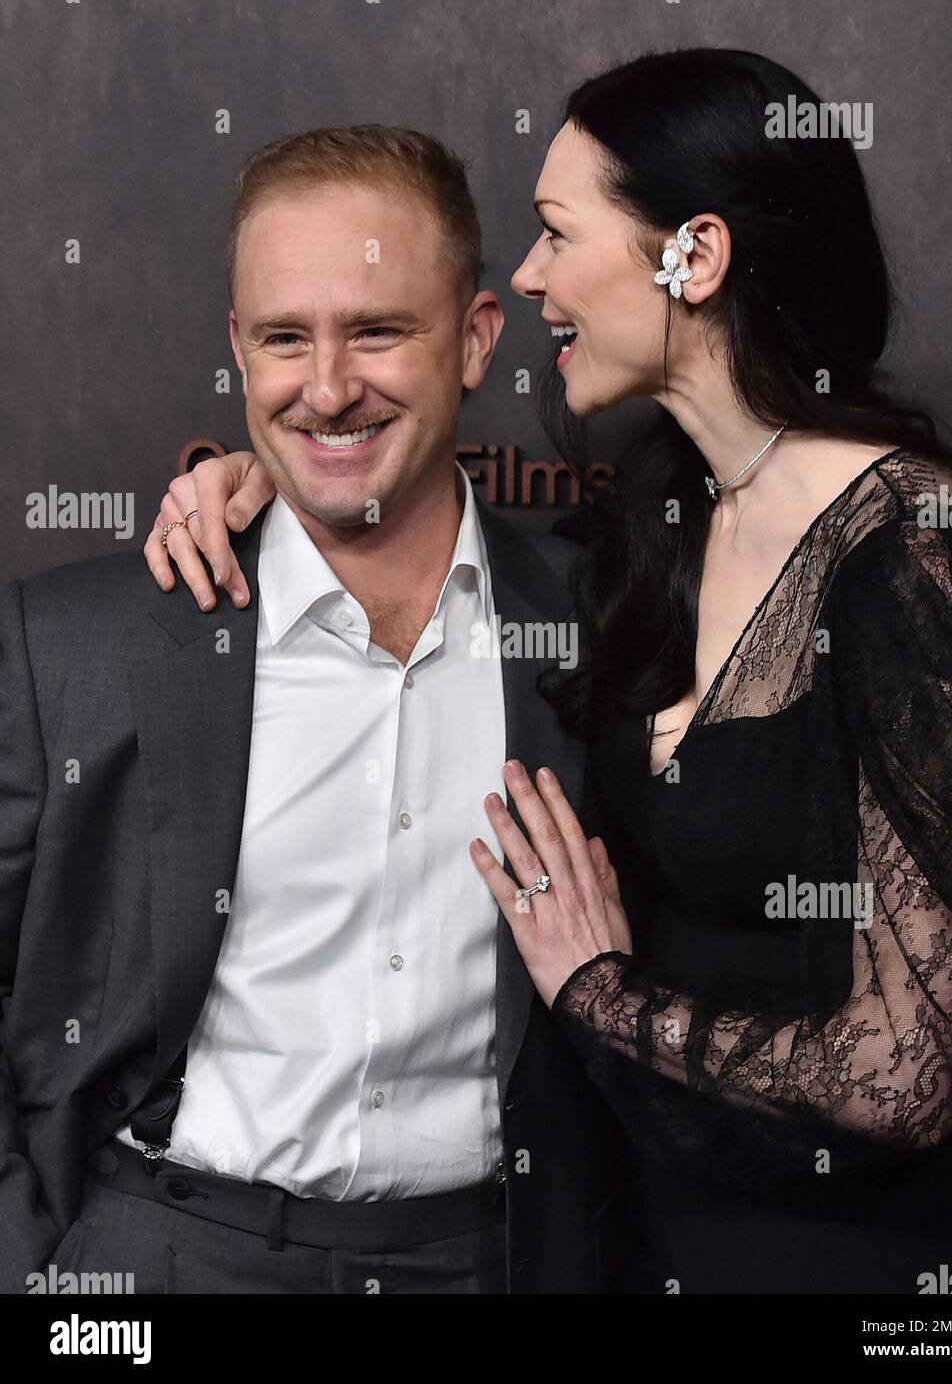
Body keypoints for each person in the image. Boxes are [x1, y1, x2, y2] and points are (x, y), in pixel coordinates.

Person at [154, 50, 952, 1295]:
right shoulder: (648, 533)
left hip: (869, 1271)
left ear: (694, 256)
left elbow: (910, 1071)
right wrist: (259, 485)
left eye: (556, 234)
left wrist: (600, 992)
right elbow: (380, 504)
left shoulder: (907, 542)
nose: (526, 279)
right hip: (648, 1249)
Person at [0, 125, 630, 1297]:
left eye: (379, 330)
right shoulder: (77, 642)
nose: (328, 388)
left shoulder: (605, 630)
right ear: (240, 350)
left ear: (478, 339)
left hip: (493, 1257)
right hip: (156, 1256)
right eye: (286, 338)